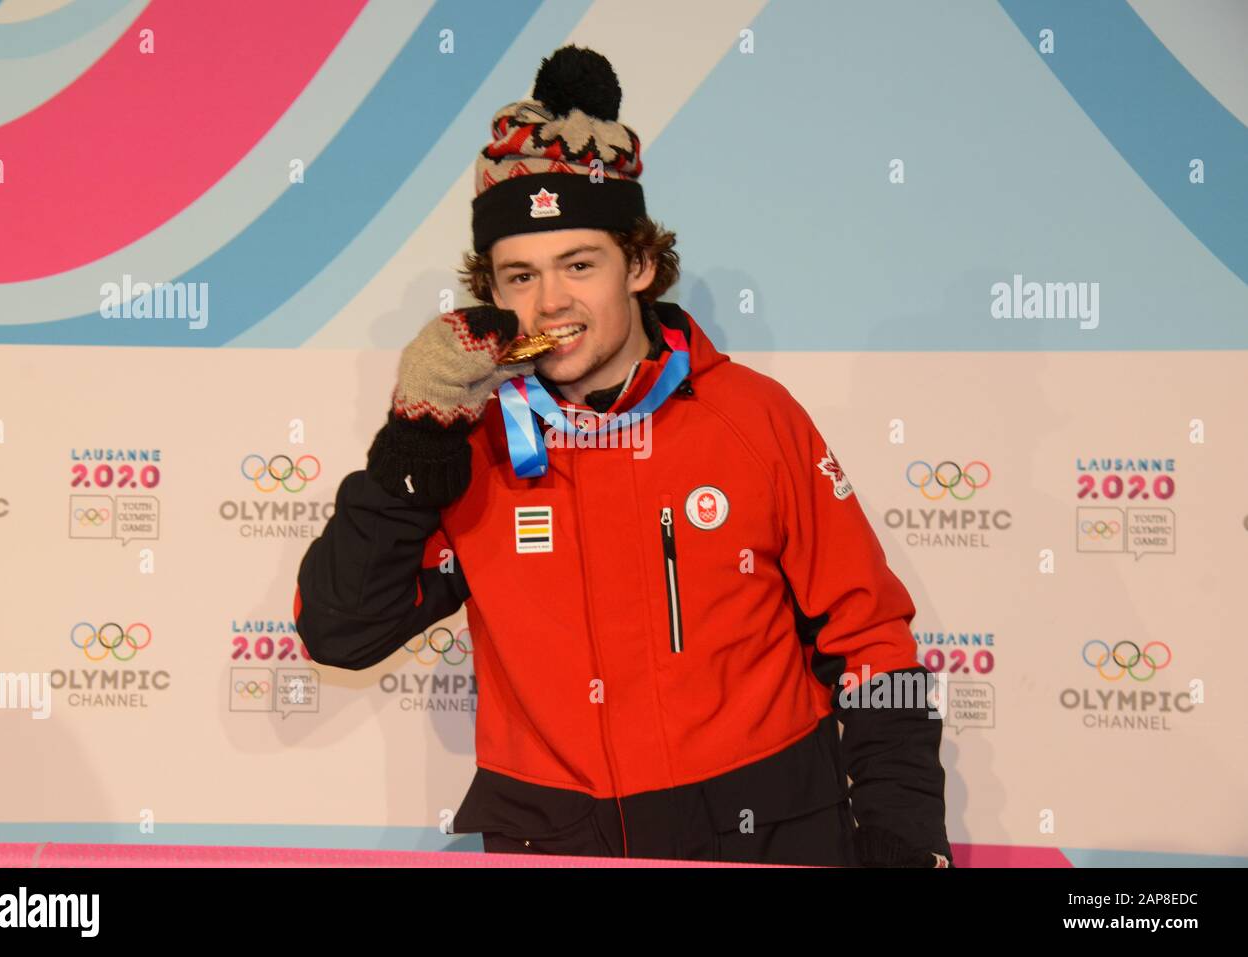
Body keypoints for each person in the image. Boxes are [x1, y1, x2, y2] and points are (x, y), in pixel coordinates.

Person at [294, 45, 952, 867]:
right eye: (519, 275)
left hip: (768, 832)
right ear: (491, 292)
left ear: (638, 265)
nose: (550, 302)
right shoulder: (471, 447)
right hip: (559, 839)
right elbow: (338, 628)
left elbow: (872, 641)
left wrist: (902, 838)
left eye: (579, 264)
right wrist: (410, 444)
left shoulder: (753, 418)